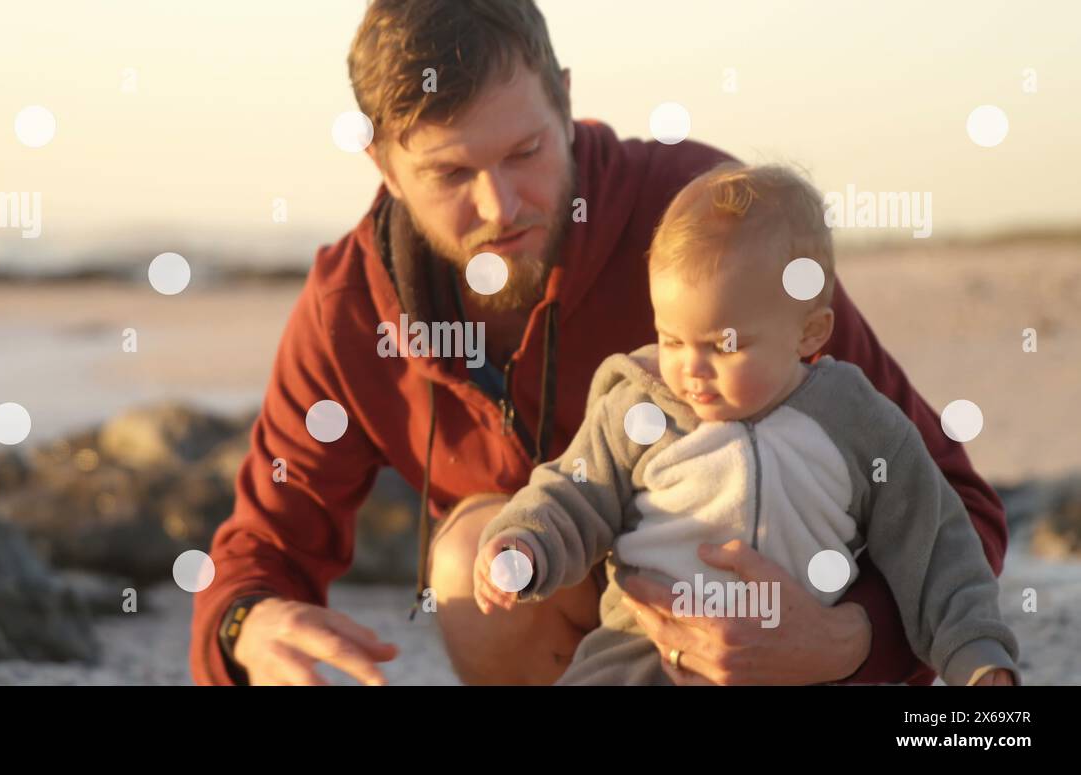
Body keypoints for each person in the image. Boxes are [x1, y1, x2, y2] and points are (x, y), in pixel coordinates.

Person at [190, 0, 1009, 686]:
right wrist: (246, 626)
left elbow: (952, 501)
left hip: (785, 607)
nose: (500, 204)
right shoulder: (349, 310)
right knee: (472, 555)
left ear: (566, 101)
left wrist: (846, 642)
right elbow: (258, 553)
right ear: (383, 164)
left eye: (525, 151)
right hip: (591, 637)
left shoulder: (710, 226)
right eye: (449, 174)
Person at [474, 163, 1019, 686]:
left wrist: (976, 652)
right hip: (643, 652)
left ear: (809, 333)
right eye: (672, 339)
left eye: (723, 346)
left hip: (798, 659)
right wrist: (526, 543)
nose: (691, 367)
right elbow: (572, 492)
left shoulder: (854, 419)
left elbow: (933, 539)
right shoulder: (641, 412)